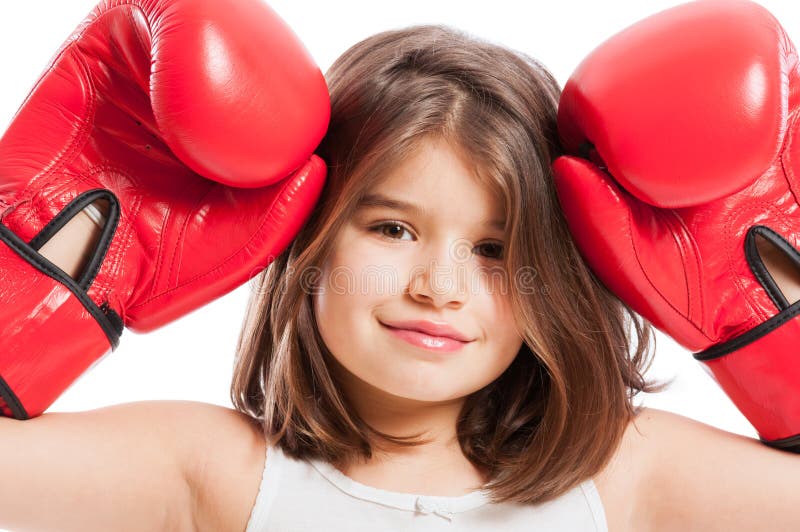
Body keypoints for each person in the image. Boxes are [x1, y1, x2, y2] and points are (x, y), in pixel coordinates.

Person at [3, 4, 800, 532]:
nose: (439, 286)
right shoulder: (205, 467)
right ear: (303, 233)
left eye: (494, 250)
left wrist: (777, 316)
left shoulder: (629, 474)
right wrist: (52, 262)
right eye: (391, 228)